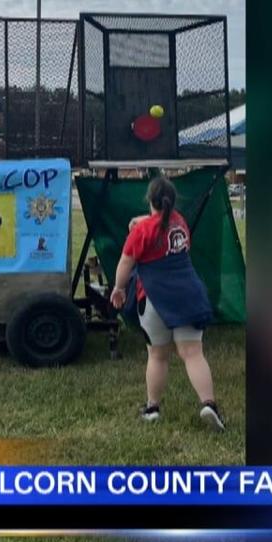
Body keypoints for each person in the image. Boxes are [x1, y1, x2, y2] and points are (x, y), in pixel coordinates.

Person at [111, 177, 224, 431]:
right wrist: (141, 220)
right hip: (188, 295)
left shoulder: (141, 232)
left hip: (154, 299)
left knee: (157, 356)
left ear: (150, 201)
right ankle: (209, 404)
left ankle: (152, 408)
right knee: (193, 353)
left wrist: (118, 289)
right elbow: (160, 221)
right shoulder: (180, 223)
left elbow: (125, 264)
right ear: (172, 202)